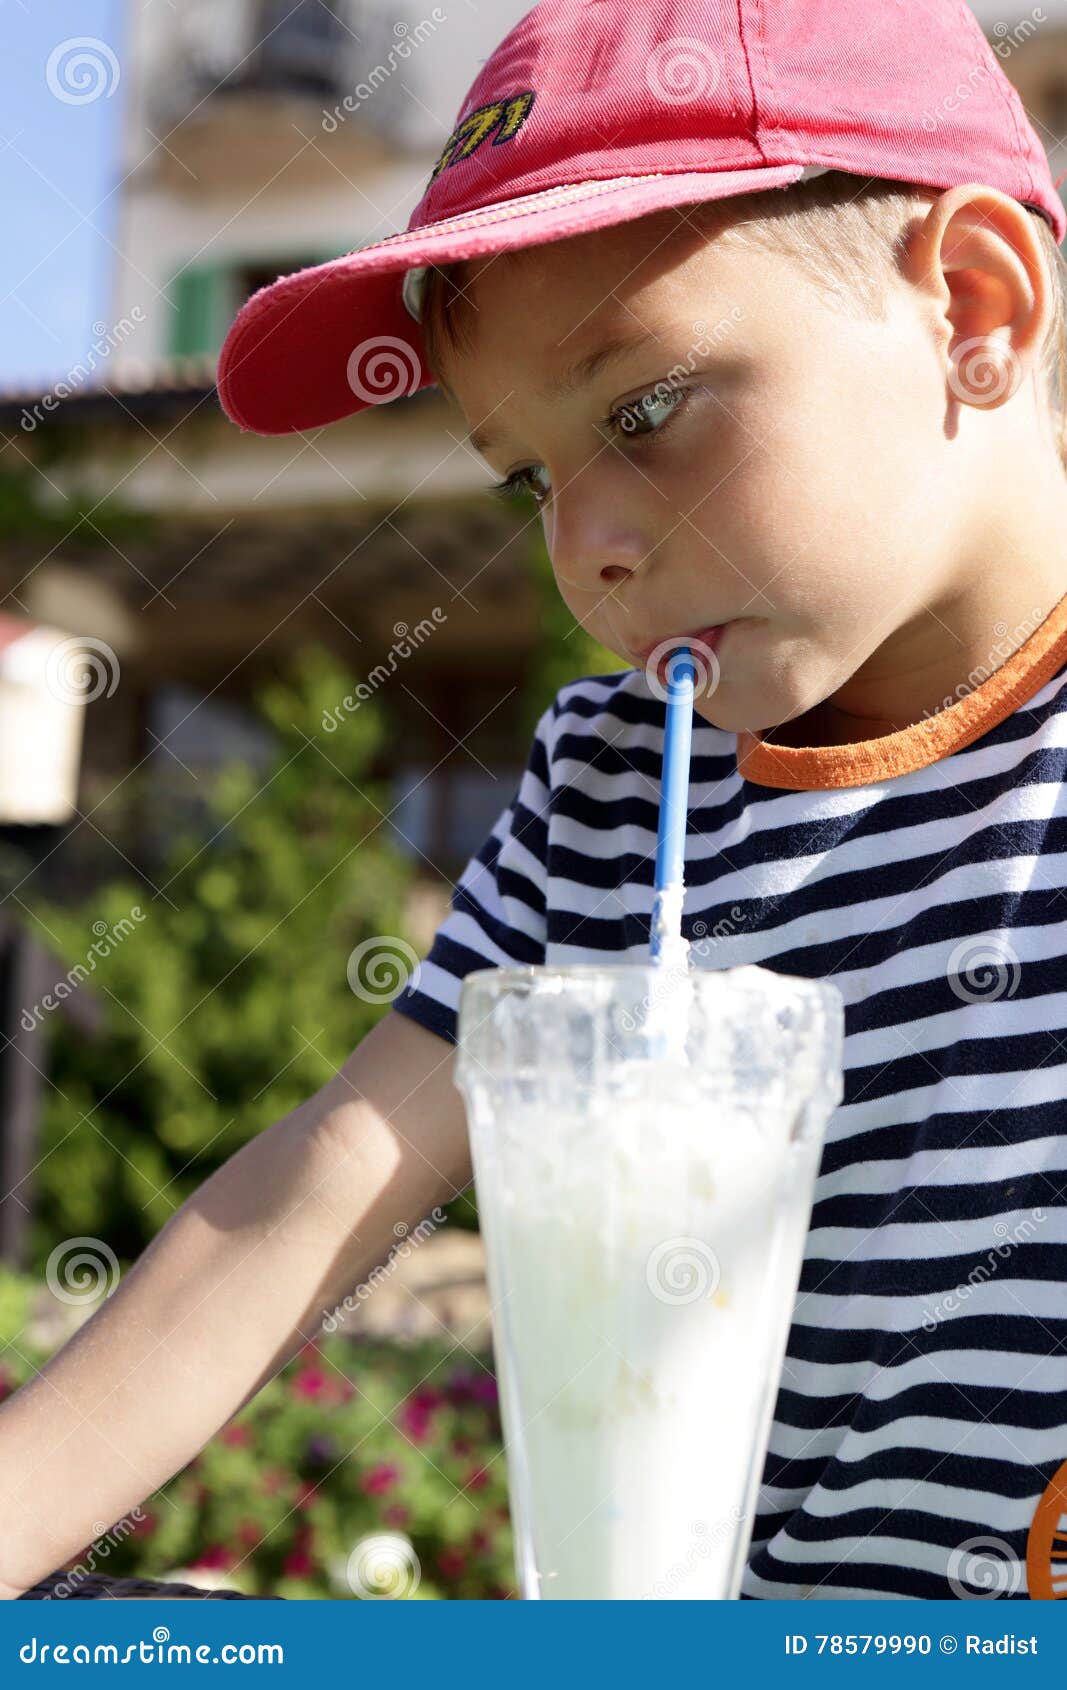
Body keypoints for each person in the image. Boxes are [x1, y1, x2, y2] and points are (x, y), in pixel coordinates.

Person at [3, 0, 1067, 1602]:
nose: (585, 553)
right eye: (530, 476)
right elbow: (311, 1194)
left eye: (645, 412)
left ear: (975, 306)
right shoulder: (615, 787)